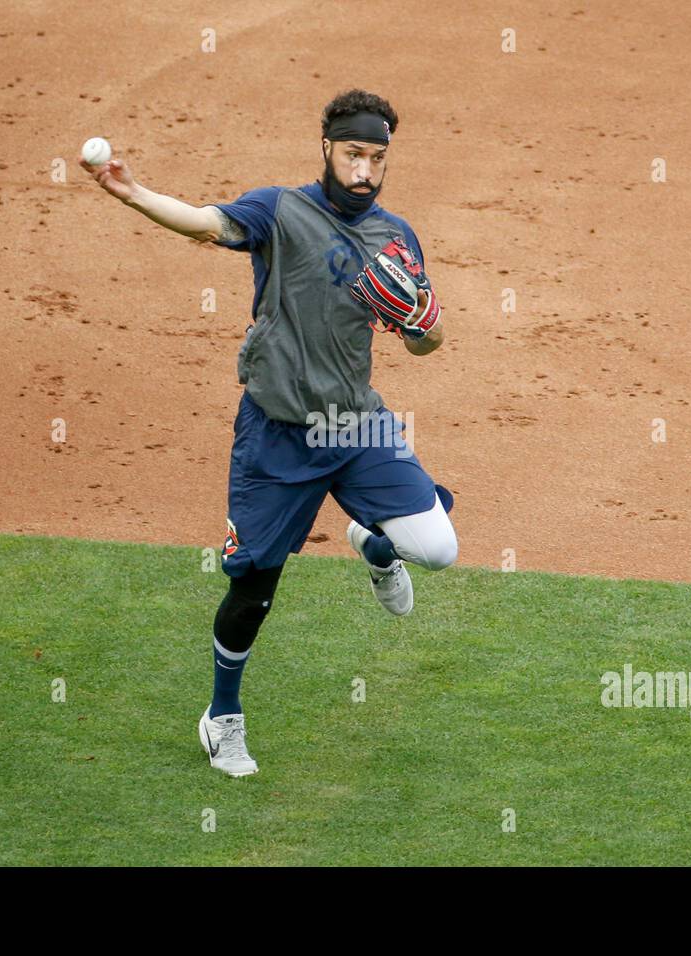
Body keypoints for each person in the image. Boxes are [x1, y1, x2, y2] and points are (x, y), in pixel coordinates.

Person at [82, 89, 458, 777]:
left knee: (438, 549)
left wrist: (423, 324)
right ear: (327, 148)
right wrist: (132, 193)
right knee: (253, 588)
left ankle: (376, 545)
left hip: (354, 422)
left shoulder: (398, 236)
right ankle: (223, 718)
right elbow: (203, 224)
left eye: (377, 158)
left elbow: (425, 344)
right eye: (353, 154)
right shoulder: (280, 211)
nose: (364, 171)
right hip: (277, 434)